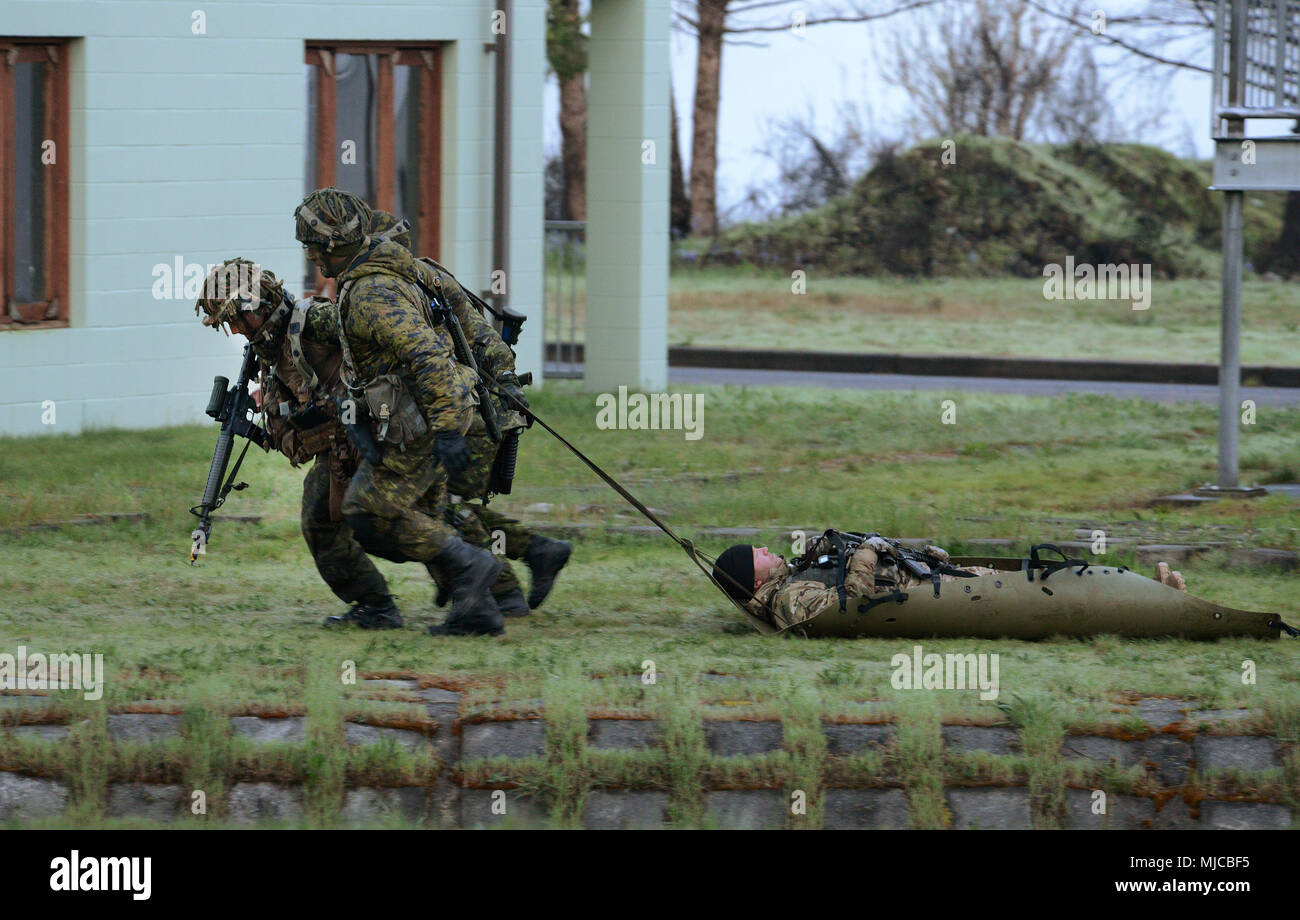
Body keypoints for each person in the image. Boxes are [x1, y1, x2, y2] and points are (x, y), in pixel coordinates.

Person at [294, 187, 504, 637]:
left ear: (334, 245)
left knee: (367, 513)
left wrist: (448, 429)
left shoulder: (371, 291)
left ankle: (473, 567)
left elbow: (426, 354)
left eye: (313, 248)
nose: (311, 257)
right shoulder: (385, 270)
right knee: (422, 512)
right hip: (419, 418)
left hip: (421, 423)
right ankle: (481, 609)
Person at [368, 211, 572, 615]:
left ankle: (500, 591)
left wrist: (509, 386)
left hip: (474, 416)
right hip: (449, 416)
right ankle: (536, 554)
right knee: (446, 504)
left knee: (446, 508)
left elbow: (485, 339)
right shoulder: (397, 291)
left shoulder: (425, 287)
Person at [194, 258, 402, 629]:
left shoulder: (313, 323)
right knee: (320, 518)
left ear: (257, 305)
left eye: (238, 320)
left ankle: (491, 579)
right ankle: (377, 605)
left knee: (413, 521)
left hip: (376, 438)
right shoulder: (268, 347)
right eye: (231, 326)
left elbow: (377, 356)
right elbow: (297, 418)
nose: (238, 331)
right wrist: (267, 409)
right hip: (341, 450)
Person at [714, 535, 1187, 631]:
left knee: (1031, 574)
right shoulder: (787, 599)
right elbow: (848, 602)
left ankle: (1149, 590)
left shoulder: (792, 575)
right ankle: (1157, 599)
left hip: (920, 581)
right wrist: (867, 553)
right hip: (919, 596)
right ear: (752, 574)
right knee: (1040, 584)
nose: (767, 551)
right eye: (758, 554)